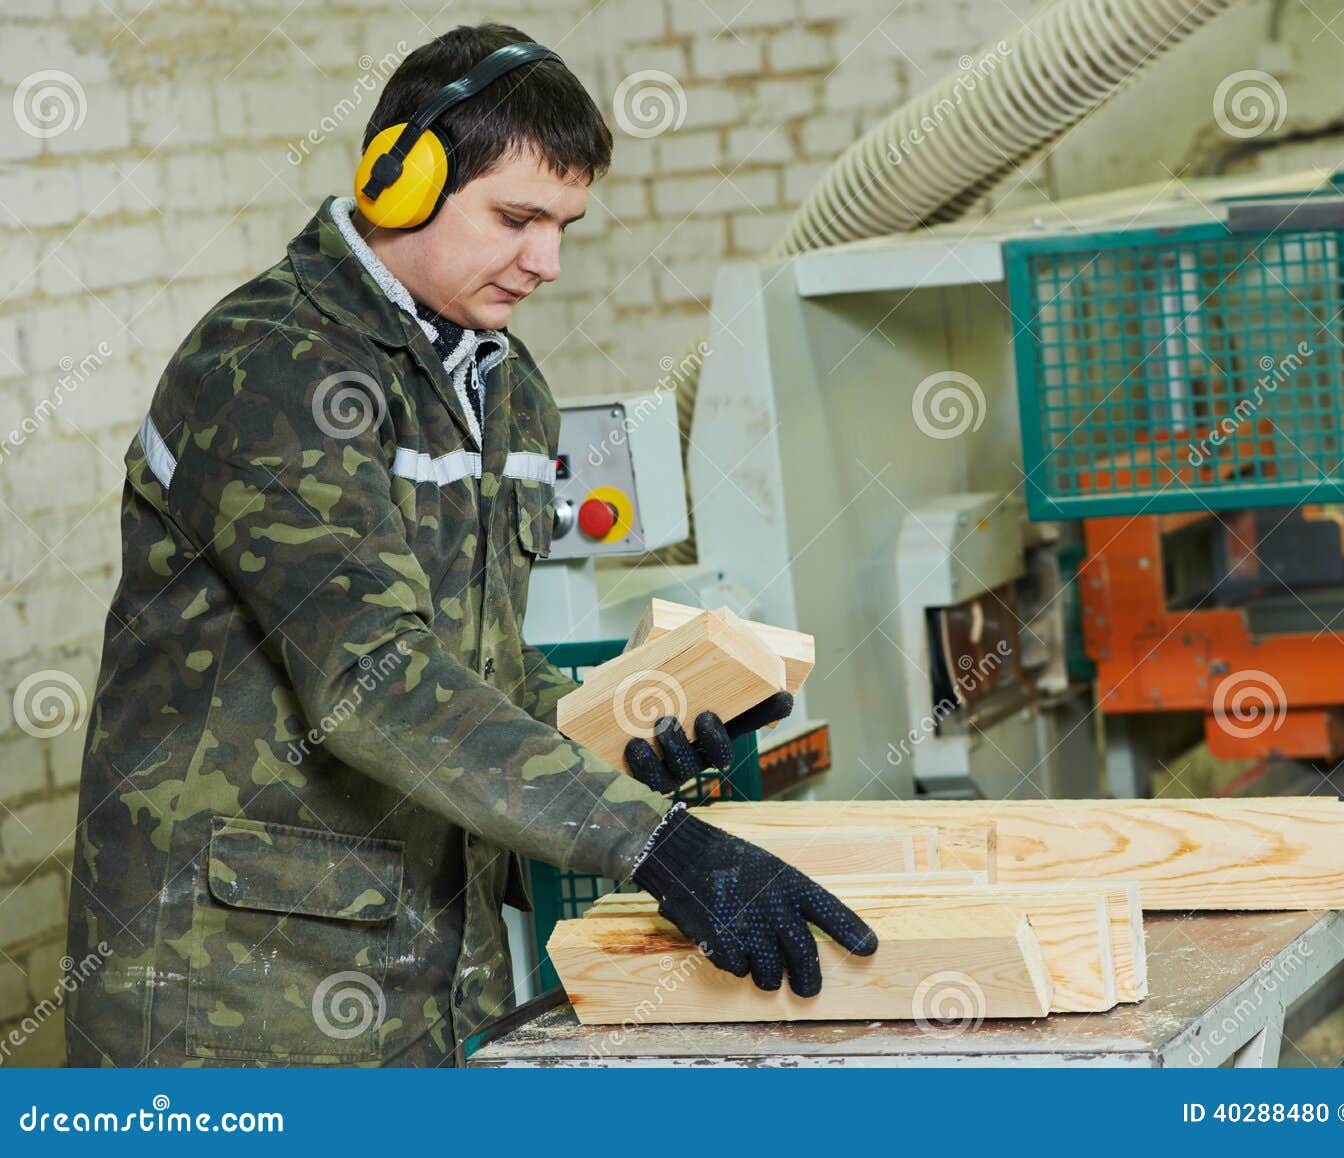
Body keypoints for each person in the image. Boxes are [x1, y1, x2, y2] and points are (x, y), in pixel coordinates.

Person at [63, 22, 875, 1068]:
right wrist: (652, 842)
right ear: (399, 178)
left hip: (430, 968)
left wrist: (616, 732)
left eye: (564, 225)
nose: (546, 262)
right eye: (517, 218)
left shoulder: (505, 389)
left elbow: (472, 665)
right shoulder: (270, 367)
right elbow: (376, 679)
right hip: (236, 993)